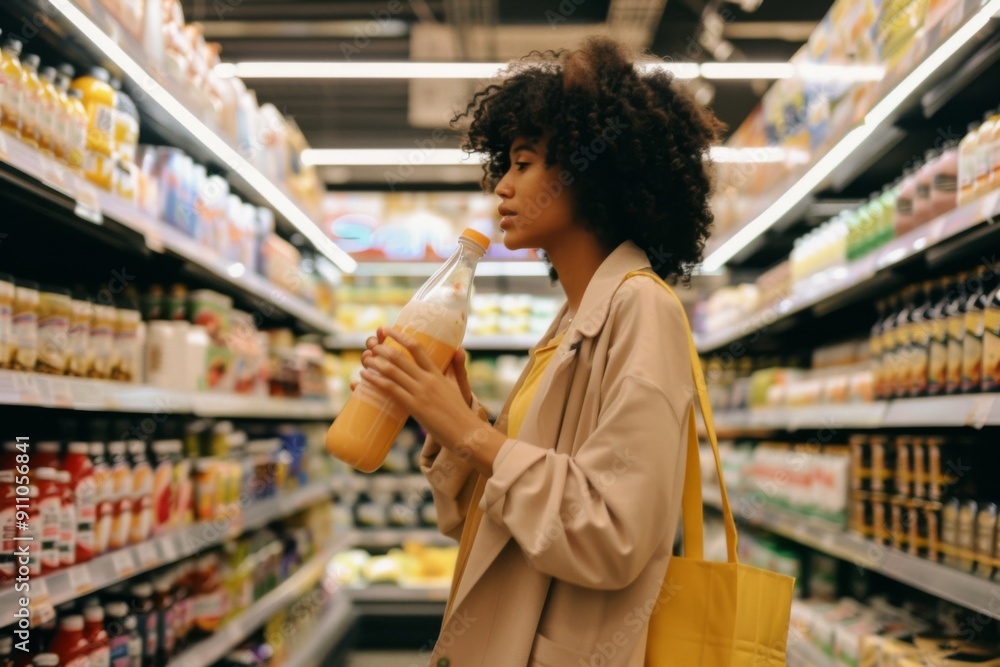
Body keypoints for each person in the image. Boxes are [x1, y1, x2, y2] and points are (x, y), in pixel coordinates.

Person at [357, 36, 723, 667]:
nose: (501, 186)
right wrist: (452, 411)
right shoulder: (572, 321)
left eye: (523, 164)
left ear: (592, 172)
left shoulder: (643, 310)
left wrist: (468, 432)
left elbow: (612, 533)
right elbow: (504, 518)